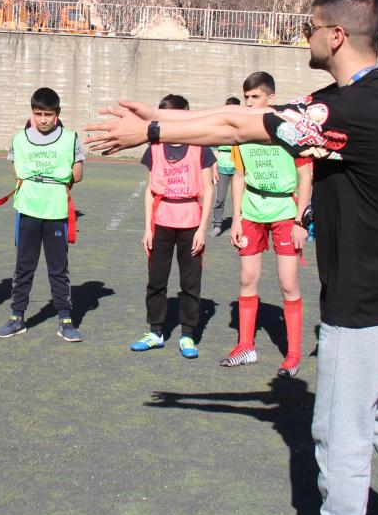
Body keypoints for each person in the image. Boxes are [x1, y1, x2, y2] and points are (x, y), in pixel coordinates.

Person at [85, 0, 378, 515]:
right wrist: (163, 124)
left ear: (337, 36)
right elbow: (242, 120)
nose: (304, 37)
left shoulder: (356, 112)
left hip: (372, 304)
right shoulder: (350, 100)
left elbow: (241, 124)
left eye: (309, 27)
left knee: (339, 428)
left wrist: (155, 130)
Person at [222, 72, 312, 378]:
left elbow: (306, 176)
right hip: (251, 213)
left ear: (271, 98)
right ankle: (246, 346)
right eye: (246, 97)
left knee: (288, 283)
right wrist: (236, 218)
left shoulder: (289, 128)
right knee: (247, 279)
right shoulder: (242, 132)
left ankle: (293, 354)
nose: (249, 103)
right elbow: (239, 175)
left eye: (255, 97)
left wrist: (301, 221)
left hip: (285, 213)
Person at [0, 87, 85, 342]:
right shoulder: (19, 138)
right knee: (24, 266)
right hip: (28, 209)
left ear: (57, 113)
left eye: (48, 114)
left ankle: (65, 319)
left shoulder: (70, 137)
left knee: (58, 268)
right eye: (38, 114)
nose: (43, 119)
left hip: (56, 211)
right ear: (32, 113)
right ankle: (17, 317)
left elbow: (78, 174)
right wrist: (52, 174)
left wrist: (52, 178)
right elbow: (16, 172)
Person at [130, 94, 215, 358]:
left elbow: (208, 190)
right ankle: (155, 332)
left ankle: (188, 334)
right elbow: (149, 191)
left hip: (191, 223)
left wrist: (202, 229)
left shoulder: (200, 147)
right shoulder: (155, 147)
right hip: (161, 221)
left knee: (190, 281)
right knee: (156, 279)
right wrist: (147, 228)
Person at [209, 96, 241, 236]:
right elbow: (214, 148)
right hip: (222, 167)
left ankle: (239, 223)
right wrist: (215, 168)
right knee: (220, 197)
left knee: (238, 198)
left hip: (238, 168)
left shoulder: (242, 127)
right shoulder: (220, 128)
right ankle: (217, 225)